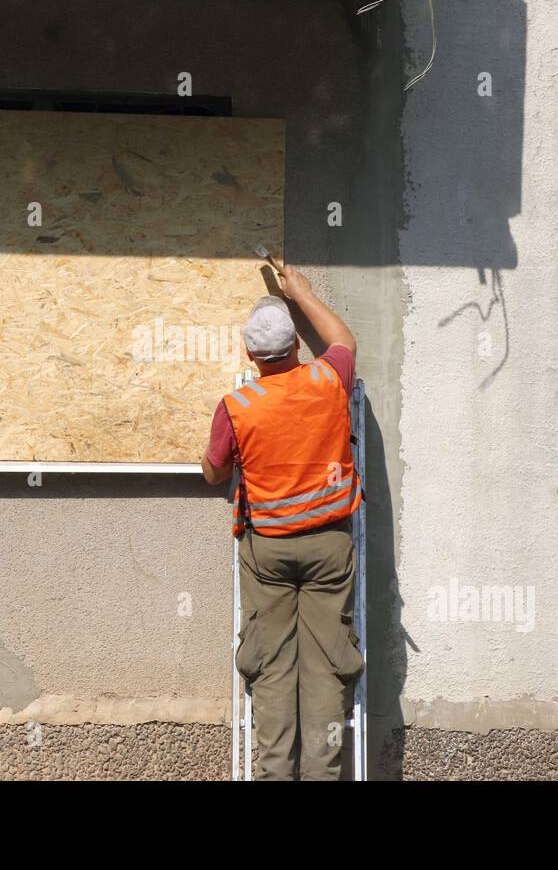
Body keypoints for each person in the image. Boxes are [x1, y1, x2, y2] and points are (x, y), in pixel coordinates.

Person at [201, 263, 364, 780]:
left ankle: (275, 774)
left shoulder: (238, 406)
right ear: (297, 345)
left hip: (268, 551)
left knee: (271, 667)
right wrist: (303, 293)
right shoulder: (326, 378)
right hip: (328, 547)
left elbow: (213, 473)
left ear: (251, 356)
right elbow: (343, 340)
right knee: (326, 666)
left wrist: (217, 458)